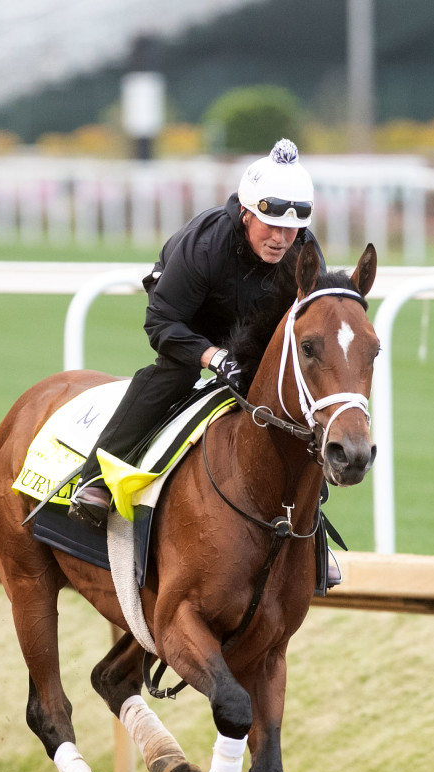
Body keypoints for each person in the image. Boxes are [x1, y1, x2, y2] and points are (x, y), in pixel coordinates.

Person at [68, 138, 322, 530]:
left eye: (292, 229)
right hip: (190, 316)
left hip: (256, 324)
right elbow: (162, 323)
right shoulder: (206, 244)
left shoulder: (302, 249)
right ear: (246, 214)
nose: (281, 239)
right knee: (176, 373)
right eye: (272, 226)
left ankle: (310, 510)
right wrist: (214, 358)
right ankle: (97, 477)